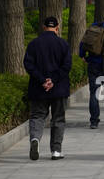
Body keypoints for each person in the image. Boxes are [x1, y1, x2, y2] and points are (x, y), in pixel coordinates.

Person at [23, 15, 71, 160]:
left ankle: (35, 139)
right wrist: (53, 80)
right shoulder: (63, 44)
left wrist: (43, 80)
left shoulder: (34, 44)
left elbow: (28, 64)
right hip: (59, 89)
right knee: (58, 119)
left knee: (37, 116)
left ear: (43, 27)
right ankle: (56, 151)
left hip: (38, 88)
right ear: (57, 28)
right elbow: (66, 66)